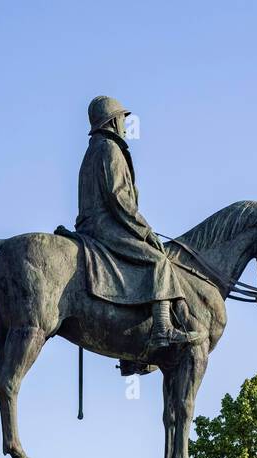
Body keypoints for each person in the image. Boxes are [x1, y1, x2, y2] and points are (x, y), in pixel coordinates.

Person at [75, 96, 205, 350]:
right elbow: (119, 197)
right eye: (122, 119)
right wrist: (144, 230)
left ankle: (133, 356)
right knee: (158, 260)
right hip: (106, 225)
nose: (125, 124)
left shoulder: (93, 150)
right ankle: (162, 329)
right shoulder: (109, 149)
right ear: (113, 121)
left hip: (92, 224)